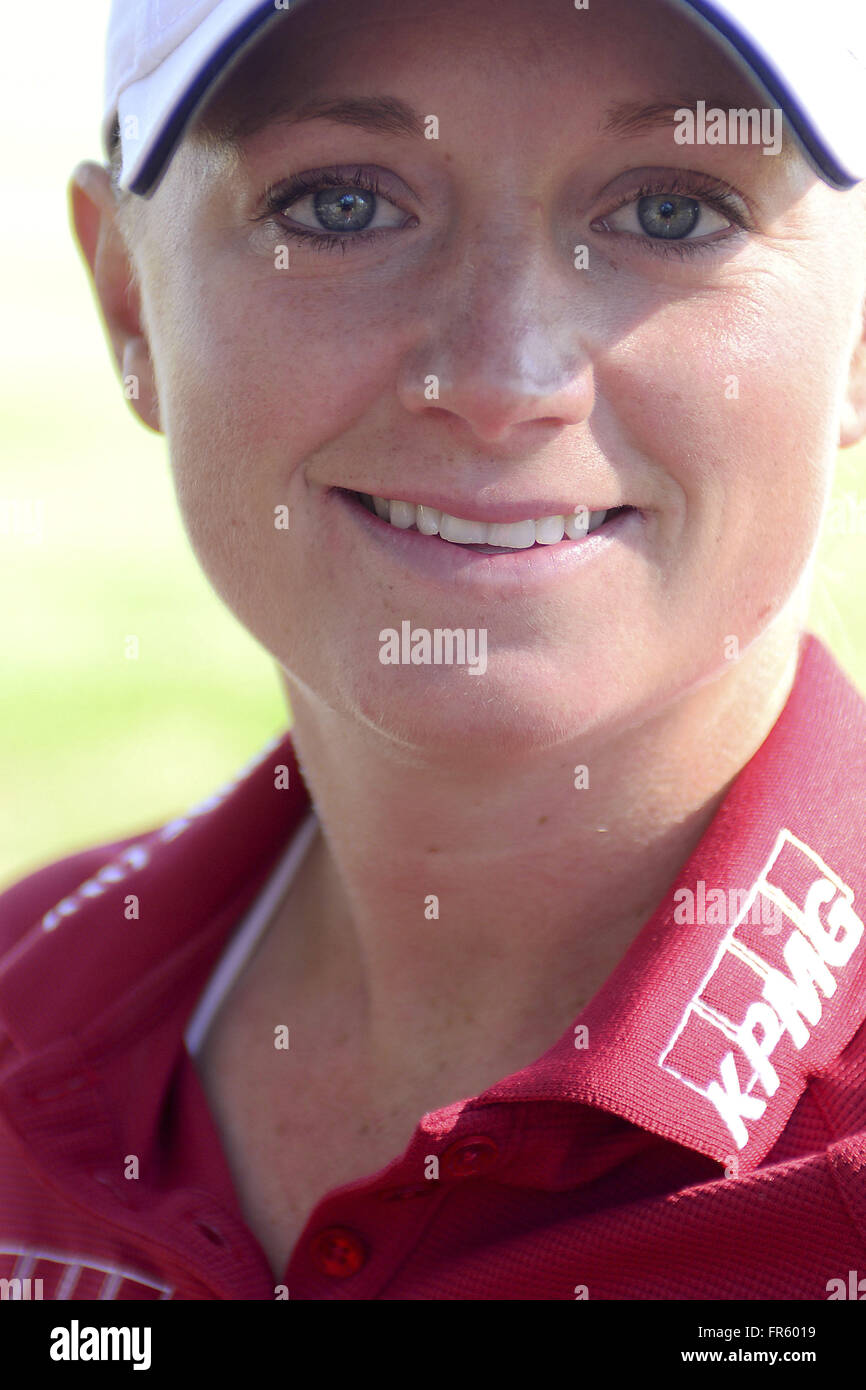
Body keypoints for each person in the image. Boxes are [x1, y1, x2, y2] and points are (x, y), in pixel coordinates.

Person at [1, 0, 865, 1301]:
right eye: (340, 205)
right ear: (128, 297)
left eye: (672, 209)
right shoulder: (26, 998)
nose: (500, 373)